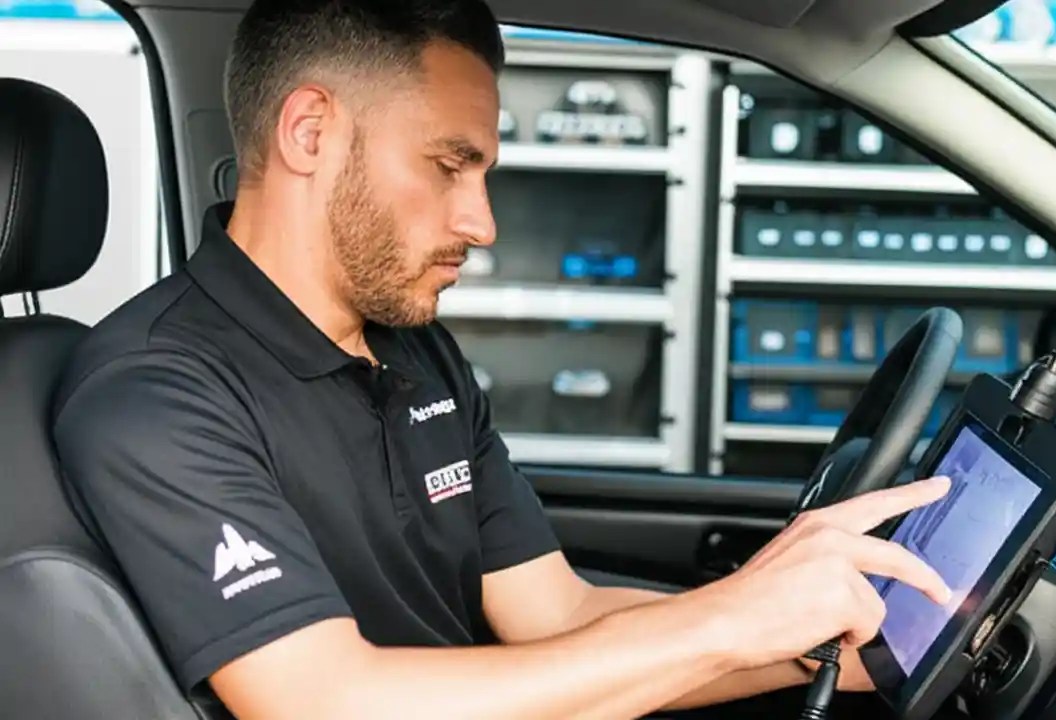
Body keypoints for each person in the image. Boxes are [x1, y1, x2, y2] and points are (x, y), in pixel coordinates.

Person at [51, 0, 953, 717]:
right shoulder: (155, 392)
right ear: (310, 133)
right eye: (450, 166)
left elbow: (557, 618)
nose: (482, 224)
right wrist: (729, 619)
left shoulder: (415, 351)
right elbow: (325, 701)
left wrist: (820, 643)